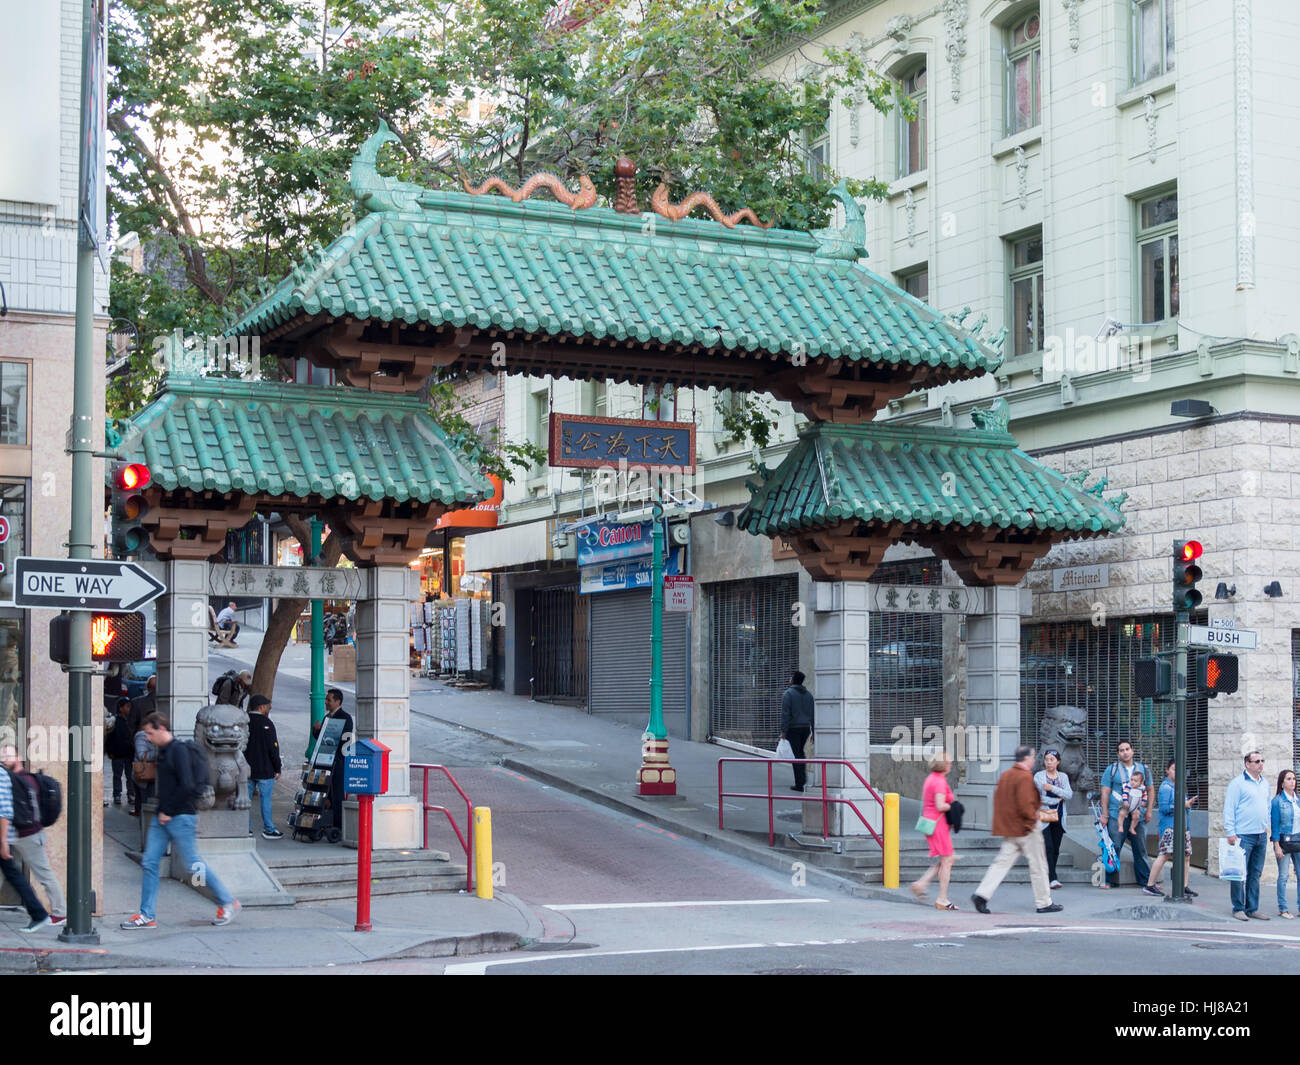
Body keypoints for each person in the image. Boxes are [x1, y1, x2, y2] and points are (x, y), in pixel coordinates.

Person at [120, 712, 240, 929]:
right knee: (149, 862)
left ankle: (227, 901)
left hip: (180, 816)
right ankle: (147, 915)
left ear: (162, 729)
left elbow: (186, 785)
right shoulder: (165, 752)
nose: (147, 738)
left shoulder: (178, 752)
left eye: (149, 733)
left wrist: (168, 810)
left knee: (194, 866)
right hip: (164, 816)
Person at [971, 745, 1062, 915]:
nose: (1034, 760)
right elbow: (1026, 805)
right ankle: (1044, 902)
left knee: (1001, 863)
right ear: (1027, 758)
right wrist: (1032, 822)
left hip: (1011, 828)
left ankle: (981, 895)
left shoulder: (1006, 775)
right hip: (1026, 829)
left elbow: (1000, 801)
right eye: (1033, 757)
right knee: (1039, 865)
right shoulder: (1024, 778)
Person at [0, 752, 52, 933]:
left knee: (15, 875)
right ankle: (39, 914)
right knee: (13, 874)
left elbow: (5, 811)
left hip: (3, 837)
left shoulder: (1, 775)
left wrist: (3, 841)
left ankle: (39, 914)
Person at [1098, 740, 1154, 888]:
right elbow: (1105, 792)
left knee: (1141, 849)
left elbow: (1150, 789)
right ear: (1118, 754)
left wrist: (1148, 810)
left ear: (1132, 751)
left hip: (1138, 816)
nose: (1125, 752)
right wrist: (1104, 814)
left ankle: (1145, 880)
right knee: (1113, 847)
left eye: (1127, 749)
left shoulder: (1143, 769)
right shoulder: (1112, 769)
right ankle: (1108, 880)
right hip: (1117, 815)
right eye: (1121, 750)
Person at [1223, 750, 1271, 921]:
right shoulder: (1238, 784)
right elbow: (1229, 808)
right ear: (1247, 764)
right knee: (1238, 873)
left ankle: (1252, 908)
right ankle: (1238, 907)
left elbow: (1267, 806)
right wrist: (1230, 832)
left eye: (1262, 760)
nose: (1260, 764)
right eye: (1257, 761)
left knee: (1255, 873)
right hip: (1243, 835)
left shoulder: (1265, 783)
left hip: (1260, 834)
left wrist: (1267, 825)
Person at [910, 752, 958, 910]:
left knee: (947, 859)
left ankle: (921, 883)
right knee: (948, 860)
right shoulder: (939, 781)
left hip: (932, 823)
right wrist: (953, 806)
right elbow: (940, 805)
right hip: (938, 825)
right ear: (943, 765)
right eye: (949, 762)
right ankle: (942, 899)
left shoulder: (932, 778)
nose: (950, 764)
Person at [1144, 759, 1196, 899]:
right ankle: (1150, 885)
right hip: (1170, 828)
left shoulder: (1177, 786)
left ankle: (1184, 886)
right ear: (1167, 770)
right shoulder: (1166, 787)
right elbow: (1165, 808)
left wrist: (1186, 806)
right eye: (1173, 769)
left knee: (1186, 857)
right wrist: (1184, 804)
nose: (1176, 772)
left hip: (1183, 827)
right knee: (1165, 855)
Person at [312, 688, 354, 841]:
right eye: (326, 699)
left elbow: (342, 740)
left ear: (338, 701)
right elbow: (322, 740)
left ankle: (339, 825)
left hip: (338, 762)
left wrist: (323, 732)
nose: (326, 702)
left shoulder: (346, 718)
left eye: (329, 700)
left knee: (337, 794)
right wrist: (316, 731)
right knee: (325, 792)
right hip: (325, 760)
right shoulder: (326, 717)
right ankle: (326, 822)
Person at [1034, 748, 1073, 890]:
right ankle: (1052, 877)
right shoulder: (1039, 776)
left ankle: (1050, 873)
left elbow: (1068, 795)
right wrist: (1057, 799)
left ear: (1058, 762)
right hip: (1044, 815)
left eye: (1052, 760)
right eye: (1046, 759)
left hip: (1060, 815)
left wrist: (1052, 788)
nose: (1048, 762)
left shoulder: (1063, 777)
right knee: (1048, 846)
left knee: (1056, 847)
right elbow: (1038, 797)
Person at [245, 694, 283, 839]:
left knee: (245, 800)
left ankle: (245, 828)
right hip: (265, 769)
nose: (269, 708)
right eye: (267, 706)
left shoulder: (244, 722)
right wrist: (277, 768)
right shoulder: (267, 723)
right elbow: (273, 748)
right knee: (266, 800)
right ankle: (268, 829)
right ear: (261, 707)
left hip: (247, 769)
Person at [778, 671, 814, 792]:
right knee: (800, 753)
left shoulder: (788, 694)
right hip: (805, 728)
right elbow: (813, 714)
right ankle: (802, 780)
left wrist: (783, 731)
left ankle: (800, 783)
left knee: (796, 755)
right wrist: (813, 731)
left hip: (793, 728)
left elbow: (785, 714)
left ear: (793, 679)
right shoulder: (808, 695)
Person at [1271, 768, 1300, 918]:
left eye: (1294, 779)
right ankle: (1283, 908)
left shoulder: (1298, 800)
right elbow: (1274, 826)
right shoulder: (1277, 801)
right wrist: (1276, 846)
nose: (1292, 782)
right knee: (1283, 876)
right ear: (1282, 783)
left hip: (1298, 840)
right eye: (1288, 779)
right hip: (1283, 841)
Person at [106, 696, 137, 808]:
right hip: (117, 753)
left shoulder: (131, 721)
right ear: (120, 708)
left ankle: (131, 794)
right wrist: (110, 751)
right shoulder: (115, 721)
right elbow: (109, 737)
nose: (129, 709)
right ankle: (117, 794)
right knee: (117, 775)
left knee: (130, 775)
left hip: (129, 753)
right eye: (127, 706)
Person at [131, 720, 157, 818]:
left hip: (152, 776)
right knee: (145, 804)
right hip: (144, 776)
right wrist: (158, 752)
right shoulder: (141, 736)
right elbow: (141, 755)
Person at [1119, 771, 1147, 837]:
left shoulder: (1142, 788)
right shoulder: (1128, 786)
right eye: (1131, 780)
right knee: (1122, 814)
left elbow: (1145, 795)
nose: (1132, 782)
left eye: (1135, 781)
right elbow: (1124, 794)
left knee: (1136, 816)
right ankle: (1120, 826)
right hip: (1127, 805)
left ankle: (1132, 827)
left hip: (1135, 806)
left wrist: (1144, 801)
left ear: (1141, 782)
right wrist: (1125, 801)